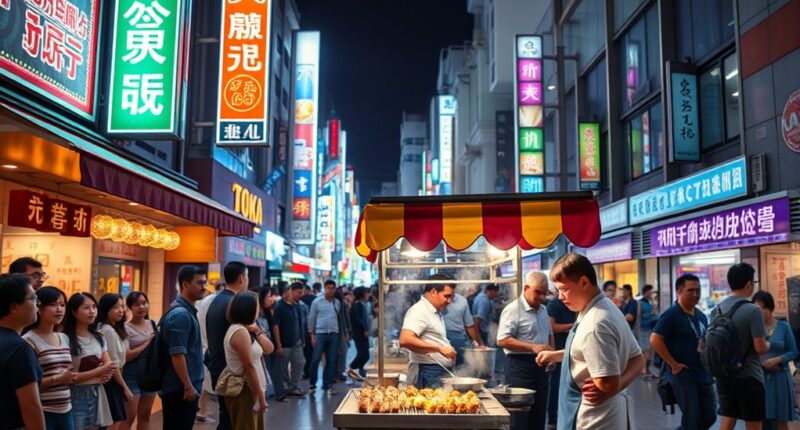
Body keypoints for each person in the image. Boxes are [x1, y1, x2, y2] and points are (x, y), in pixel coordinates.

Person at [536, 253, 644, 430]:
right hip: (609, 415)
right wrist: (554, 355)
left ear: (584, 283)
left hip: (594, 420)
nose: (560, 297)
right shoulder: (606, 307)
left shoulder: (596, 324)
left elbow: (608, 382)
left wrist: (610, 387)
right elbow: (637, 359)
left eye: (563, 289)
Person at [650, 274, 717, 430]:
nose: (696, 294)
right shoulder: (672, 314)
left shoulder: (700, 315)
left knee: (710, 416)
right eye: (690, 290)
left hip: (703, 372)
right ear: (679, 291)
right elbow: (655, 339)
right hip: (683, 375)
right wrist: (673, 364)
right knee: (691, 418)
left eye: (698, 290)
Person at [714, 263, 769, 430]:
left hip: (724, 376)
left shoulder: (717, 310)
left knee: (727, 421)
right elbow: (760, 348)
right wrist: (769, 343)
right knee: (753, 424)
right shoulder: (753, 311)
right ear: (748, 284)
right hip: (749, 377)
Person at [497, 271, 554, 430]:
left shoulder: (543, 309)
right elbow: (502, 340)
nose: (542, 297)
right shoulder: (513, 310)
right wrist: (532, 347)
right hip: (520, 367)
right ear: (526, 288)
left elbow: (549, 334)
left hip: (541, 367)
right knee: (520, 416)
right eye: (538, 292)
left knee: (539, 412)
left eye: (545, 293)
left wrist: (553, 355)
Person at [159, 265, 207, 428]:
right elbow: (177, 354)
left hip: (184, 387)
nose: (204, 287)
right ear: (185, 285)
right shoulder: (180, 315)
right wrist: (188, 386)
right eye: (199, 283)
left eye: (205, 282)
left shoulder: (186, 312)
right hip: (179, 389)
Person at [24, 286, 77, 430]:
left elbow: (66, 373)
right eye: (53, 305)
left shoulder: (64, 337)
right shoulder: (29, 340)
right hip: (43, 411)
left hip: (66, 408)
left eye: (62, 304)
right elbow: (27, 384)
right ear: (39, 309)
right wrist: (59, 378)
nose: (59, 309)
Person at [221, 291, 274, 430]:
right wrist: (261, 397)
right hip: (246, 390)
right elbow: (248, 367)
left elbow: (269, 349)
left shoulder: (247, 329)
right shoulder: (240, 332)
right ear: (248, 309)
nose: (259, 309)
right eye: (256, 306)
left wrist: (257, 331)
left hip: (252, 390)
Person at [0, 273, 46, 430]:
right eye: (33, 299)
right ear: (14, 307)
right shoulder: (19, 348)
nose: (37, 305)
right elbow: (30, 406)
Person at [206, 262, 249, 429]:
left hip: (218, 365)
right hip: (231, 370)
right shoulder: (234, 303)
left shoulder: (217, 300)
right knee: (232, 419)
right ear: (241, 277)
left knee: (226, 416)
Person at [63, 292, 115, 430]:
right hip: (75, 396)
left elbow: (109, 366)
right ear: (74, 312)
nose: (92, 311)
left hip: (97, 393)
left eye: (94, 307)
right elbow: (71, 378)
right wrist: (99, 371)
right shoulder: (65, 338)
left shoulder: (99, 337)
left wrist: (104, 373)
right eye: (86, 308)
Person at [399, 273, 457, 388]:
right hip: (428, 372)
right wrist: (439, 348)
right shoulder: (419, 311)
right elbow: (405, 339)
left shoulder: (433, 311)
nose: (449, 301)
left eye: (451, 297)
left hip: (436, 371)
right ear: (434, 292)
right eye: (447, 296)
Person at [752, 291, 797, 430]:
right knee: (760, 419)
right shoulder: (752, 329)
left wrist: (777, 359)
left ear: (771, 308)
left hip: (780, 378)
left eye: (763, 308)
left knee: (781, 420)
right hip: (759, 378)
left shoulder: (784, 327)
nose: (760, 312)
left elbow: (794, 351)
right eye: (756, 309)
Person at [96, 294, 133, 429]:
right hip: (111, 380)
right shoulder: (107, 330)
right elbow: (113, 363)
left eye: (121, 306)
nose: (120, 310)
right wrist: (124, 386)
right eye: (115, 307)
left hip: (113, 379)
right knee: (114, 420)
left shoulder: (111, 328)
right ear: (105, 309)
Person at [121, 292, 156, 430]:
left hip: (150, 373)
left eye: (144, 303)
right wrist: (147, 341)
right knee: (129, 417)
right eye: (137, 304)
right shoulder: (124, 328)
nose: (142, 307)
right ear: (130, 307)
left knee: (145, 415)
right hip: (130, 375)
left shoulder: (152, 324)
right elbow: (126, 356)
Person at [546, 284, 576, 429]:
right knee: (556, 387)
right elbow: (551, 327)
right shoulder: (553, 305)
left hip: (571, 353)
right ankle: (553, 420)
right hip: (559, 350)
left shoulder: (576, 305)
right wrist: (573, 326)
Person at [307, 279, 344, 395]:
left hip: (333, 333)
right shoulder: (317, 302)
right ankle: (312, 384)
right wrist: (311, 334)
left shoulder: (337, 302)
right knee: (316, 359)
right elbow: (311, 318)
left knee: (332, 360)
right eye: (328, 288)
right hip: (320, 333)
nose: (330, 290)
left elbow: (338, 317)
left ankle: (327, 384)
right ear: (324, 288)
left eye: (333, 288)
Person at [271, 282, 306, 401]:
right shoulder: (280, 306)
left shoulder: (297, 306)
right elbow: (276, 326)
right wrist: (278, 344)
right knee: (283, 368)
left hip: (297, 342)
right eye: (299, 292)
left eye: (302, 292)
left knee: (300, 362)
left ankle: (293, 386)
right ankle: (283, 389)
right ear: (290, 291)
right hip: (284, 343)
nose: (300, 295)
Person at [196, 282, 224, 424]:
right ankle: (201, 410)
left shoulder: (202, 304)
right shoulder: (211, 303)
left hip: (204, 347)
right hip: (208, 348)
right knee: (207, 383)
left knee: (205, 383)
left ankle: (201, 410)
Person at [443, 287, 484, 366]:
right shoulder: (434, 301)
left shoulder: (462, 301)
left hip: (458, 339)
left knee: (460, 367)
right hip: (441, 338)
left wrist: (476, 342)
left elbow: (469, 325)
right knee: (444, 367)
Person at [349, 287, 372, 378]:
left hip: (362, 333)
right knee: (363, 353)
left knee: (364, 353)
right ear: (362, 294)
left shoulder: (361, 304)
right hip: (360, 333)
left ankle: (359, 370)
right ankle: (352, 368)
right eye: (366, 293)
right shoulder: (356, 305)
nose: (368, 295)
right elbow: (359, 320)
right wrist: (365, 330)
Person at [638, 284, 658, 379]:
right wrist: (651, 313)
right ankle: (644, 371)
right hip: (643, 328)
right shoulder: (641, 303)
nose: (651, 294)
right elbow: (641, 316)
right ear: (646, 292)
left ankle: (648, 370)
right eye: (650, 292)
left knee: (649, 351)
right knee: (645, 350)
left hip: (651, 328)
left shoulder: (651, 302)